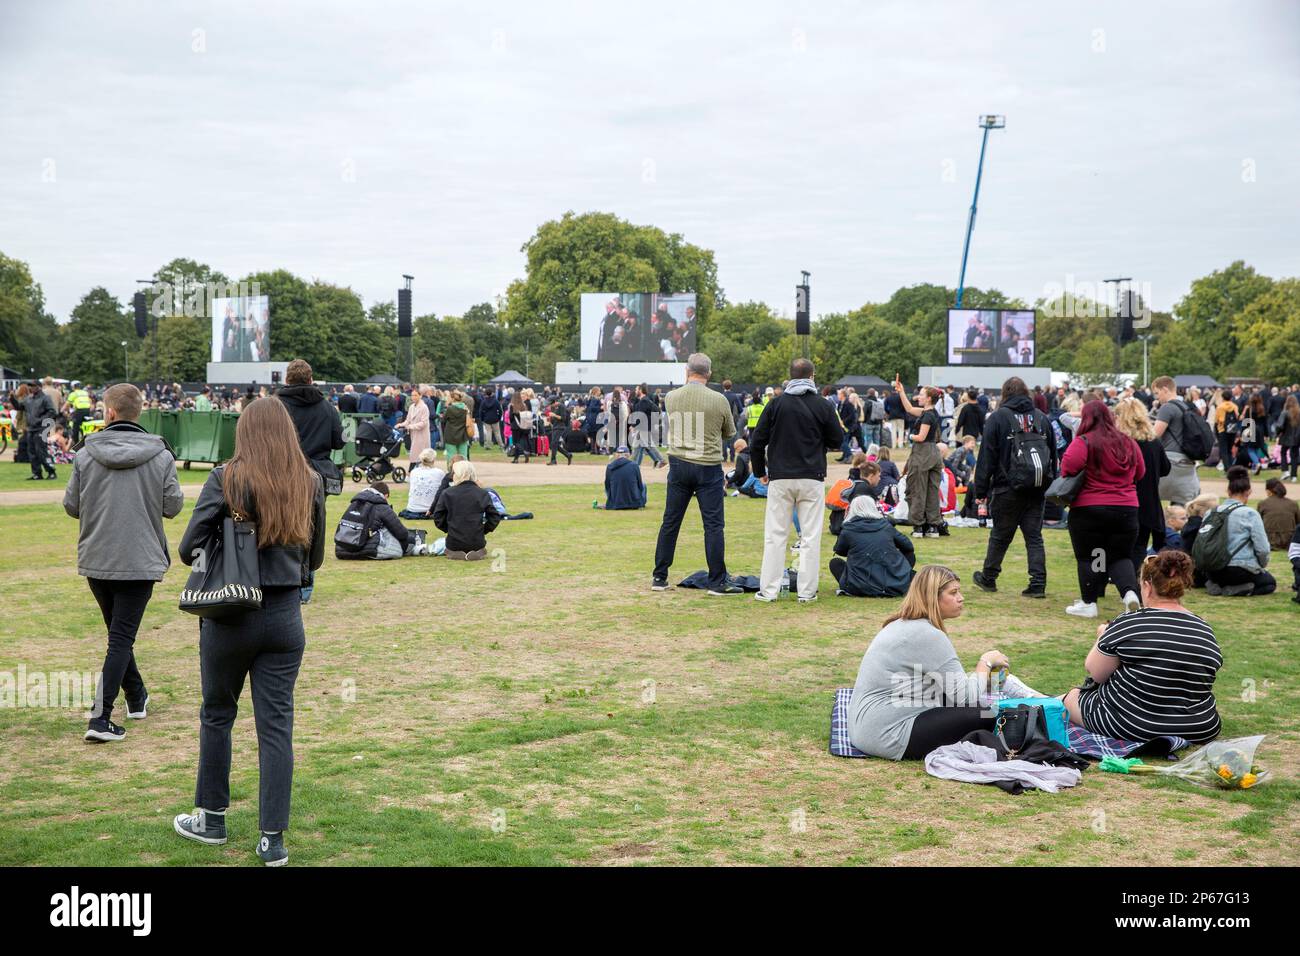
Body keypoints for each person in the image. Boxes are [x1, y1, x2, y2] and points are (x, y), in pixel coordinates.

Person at [173, 396, 326, 866]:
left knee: (217, 712)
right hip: (284, 615)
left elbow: (188, 547)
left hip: (231, 613)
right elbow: (314, 558)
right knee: (276, 727)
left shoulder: (227, 477)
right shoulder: (310, 480)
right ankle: (272, 838)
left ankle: (212, 817)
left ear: (244, 432)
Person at [63, 383, 185, 743]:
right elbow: (173, 506)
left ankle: (136, 695)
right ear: (138, 412)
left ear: (109, 412)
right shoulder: (160, 455)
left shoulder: (85, 454)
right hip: (139, 558)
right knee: (120, 638)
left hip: (99, 557)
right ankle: (101, 717)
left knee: (119, 636)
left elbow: (72, 506)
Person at [847, 565, 1011, 760]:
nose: (961, 598)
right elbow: (965, 696)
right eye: (953, 592)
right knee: (985, 714)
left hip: (865, 726)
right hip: (888, 734)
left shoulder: (903, 624)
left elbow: (951, 686)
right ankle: (1044, 704)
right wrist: (987, 661)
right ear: (933, 597)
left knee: (980, 695)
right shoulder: (928, 635)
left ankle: (1039, 699)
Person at [1062, 551, 1222, 744]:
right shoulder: (1204, 628)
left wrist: (1103, 636)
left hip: (1132, 725)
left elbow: (1095, 673)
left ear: (1147, 587)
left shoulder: (1130, 622)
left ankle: (1029, 698)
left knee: (1073, 696)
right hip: (1199, 727)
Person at [750, 358, 844, 603]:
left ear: (790, 377)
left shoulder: (776, 404)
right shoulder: (823, 405)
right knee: (810, 538)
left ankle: (768, 590)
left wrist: (760, 470)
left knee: (775, 535)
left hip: (780, 477)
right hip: (812, 477)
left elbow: (757, 441)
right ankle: (806, 591)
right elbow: (837, 440)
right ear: (812, 376)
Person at [652, 353, 742, 595]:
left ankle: (659, 576)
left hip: (679, 463)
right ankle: (716, 581)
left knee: (671, 521)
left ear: (687, 371)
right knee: (713, 525)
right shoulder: (719, 399)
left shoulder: (671, 397)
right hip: (708, 464)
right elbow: (729, 432)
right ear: (709, 373)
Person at [971, 376, 1057, 598]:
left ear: (1005, 393)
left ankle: (989, 577)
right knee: (1034, 537)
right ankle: (1038, 583)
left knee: (1000, 535)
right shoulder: (1041, 418)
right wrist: (1049, 481)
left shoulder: (998, 418)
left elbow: (986, 457)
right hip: (1037, 487)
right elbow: (1053, 455)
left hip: (1006, 487)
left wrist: (980, 490)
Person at [1059, 400, 1145, 618]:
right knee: (1120, 556)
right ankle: (1130, 595)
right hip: (1126, 508)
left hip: (1090, 508)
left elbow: (1067, 467)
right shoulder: (1128, 442)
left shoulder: (1085, 441)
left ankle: (1089, 601)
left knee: (1091, 556)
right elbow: (1140, 472)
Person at [1113, 397, 1172, 572]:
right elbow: (1165, 468)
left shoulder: (1120, 443)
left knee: (1119, 546)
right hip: (1148, 502)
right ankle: (1135, 583)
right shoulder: (1153, 442)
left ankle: (1123, 581)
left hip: (1124, 500)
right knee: (1139, 546)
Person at [1202, 466, 1275, 596]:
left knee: (1222, 576)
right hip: (1238, 569)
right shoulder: (1250, 514)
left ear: (1228, 491)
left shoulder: (1210, 512)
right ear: (1249, 491)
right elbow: (1262, 548)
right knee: (1269, 583)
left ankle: (1216, 585)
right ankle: (1236, 589)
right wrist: (1261, 566)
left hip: (1212, 569)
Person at [830, 495, 916, 597]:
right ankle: (898, 579)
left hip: (859, 586)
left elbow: (839, 551)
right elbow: (908, 547)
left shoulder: (848, 529)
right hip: (891, 583)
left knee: (835, 563)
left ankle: (857, 584)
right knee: (909, 554)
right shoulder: (885, 526)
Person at [891, 379, 944, 538]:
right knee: (932, 490)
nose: (918, 397)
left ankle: (918, 526)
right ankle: (933, 526)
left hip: (923, 453)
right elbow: (908, 408)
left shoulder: (927, 416)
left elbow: (921, 437)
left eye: (921, 395)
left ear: (928, 398)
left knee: (917, 490)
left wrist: (910, 436)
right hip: (934, 454)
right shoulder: (931, 413)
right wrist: (900, 391)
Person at [433, 460, 501, 560]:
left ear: (458, 475)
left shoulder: (447, 493)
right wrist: (483, 530)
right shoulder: (482, 493)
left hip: (454, 542)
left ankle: (456, 553)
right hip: (477, 541)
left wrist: (449, 529)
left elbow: (438, 517)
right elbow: (494, 516)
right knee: (478, 548)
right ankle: (477, 553)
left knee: (451, 549)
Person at [335, 481, 419, 559]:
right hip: (368, 550)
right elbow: (402, 533)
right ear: (385, 495)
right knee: (407, 540)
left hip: (341, 549)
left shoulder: (355, 503)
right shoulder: (381, 505)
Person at [1150, 377, 1200, 506]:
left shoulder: (1167, 408)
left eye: (1157, 393)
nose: (1157, 397)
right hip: (1188, 461)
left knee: (1149, 495)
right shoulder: (1187, 406)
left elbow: (1154, 435)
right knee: (1181, 506)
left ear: (1165, 389)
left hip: (1171, 460)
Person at [22, 381, 58, 479]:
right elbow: (19, 406)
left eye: (32, 386)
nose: (30, 388)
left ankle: (51, 472)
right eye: (29, 386)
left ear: (39, 387)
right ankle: (37, 473)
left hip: (41, 429)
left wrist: (40, 420)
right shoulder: (28, 399)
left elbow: (52, 411)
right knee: (32, 452)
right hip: (31, 429)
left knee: (41, 451)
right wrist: (12, 398)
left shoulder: (45, 398)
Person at [398, 449, 446, 519]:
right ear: (433, 460)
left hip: (412, 509)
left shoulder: (414, 472)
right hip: (430, 510)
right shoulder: (439, 473)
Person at [1258, 478, 1300, 551]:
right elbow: (1298, 523)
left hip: (1269, 542)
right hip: (1289, 542)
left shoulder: (1263, 504)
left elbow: (1258, 524)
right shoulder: (1293, 504)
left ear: (1269, 491)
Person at [630, 384, 665, 468]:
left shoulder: (644, 401)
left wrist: (633, 425)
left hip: (644, 428)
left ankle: (662, 461)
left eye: (636, 389)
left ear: (641, 390)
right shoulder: (643, 400)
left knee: (649, 445)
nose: (635, 391)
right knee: (636, 446)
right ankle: (632, 465)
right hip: (642, 427)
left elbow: (641, 416)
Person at [395, 385, 430, 469]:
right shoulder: (411, 407)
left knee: (420, 455)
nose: (413, 397)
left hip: (422, 435)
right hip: (414, 434)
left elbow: (423, 423)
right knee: (414, 454)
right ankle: (412, 471)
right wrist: (401, 424)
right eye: (412, 395)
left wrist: (410, 426)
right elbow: (408, 420)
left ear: (420, 396)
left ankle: (411, 472)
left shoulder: (424, 407)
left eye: (415, 395)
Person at [441, 389, 472, 464]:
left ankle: (451, 472)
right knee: (463, 456)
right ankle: (465, 471)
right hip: (463, 435)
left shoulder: (449, 409)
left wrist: (446, 406)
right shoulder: (466, 408)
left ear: (452, 398)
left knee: (451, 456)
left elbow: (443, 420)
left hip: (450, 434)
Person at [1212, 388, 1239, 472]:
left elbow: (1217, 420)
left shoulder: (1220, 407)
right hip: (1232, 429)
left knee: (1223, 450)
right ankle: (1231, 466)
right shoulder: (1235, 406)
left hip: (1222, 429)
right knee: (1229, 449)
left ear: (1222, 397)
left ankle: (1227, 468)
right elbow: (1237, 416)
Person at [506, 392, 533, 462]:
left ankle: (524, 452)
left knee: (515, 442)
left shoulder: (512, 405)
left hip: (515, 426)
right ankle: (516, 459)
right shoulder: (524, 405)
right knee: (519, 442)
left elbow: (511, 417)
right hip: (522, 426)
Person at [1279, 394, 1300, 481]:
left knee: (1283, 452)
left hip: (1286, 436)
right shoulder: (1299, 413)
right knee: (1294, 456)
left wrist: (1278, 433)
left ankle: (1285, 470)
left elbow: (1280, 425)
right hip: (1297, 437)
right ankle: (1294, 476)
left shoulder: (1285, 412)